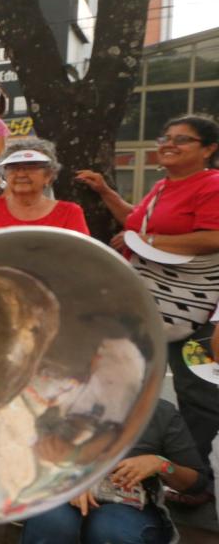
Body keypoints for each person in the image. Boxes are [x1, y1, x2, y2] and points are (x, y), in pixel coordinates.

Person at [75, 115, 219, 464]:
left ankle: (191, 475)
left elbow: (214, 237)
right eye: (165, 136)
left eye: (182, 139)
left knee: (196, 394)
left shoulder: (211, 185)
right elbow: (134, 223)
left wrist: (149, 240)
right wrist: (106, 192)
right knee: (127, 380)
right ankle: (135, 458)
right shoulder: (163, 186)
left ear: (209, 149)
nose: (168, 144)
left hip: (196, 311)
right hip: (150, 306)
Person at [20, 400, 207, 544]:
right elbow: (28, 457)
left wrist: (160, 464)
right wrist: (69, 478)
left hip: (130, 509)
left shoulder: (160, 412)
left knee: (109, 527)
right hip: (64, 494)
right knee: (53, 519)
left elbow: (195, 482)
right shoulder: (67, 403)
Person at [0, 142, 88, 236]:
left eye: (31, 167)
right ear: (5, 174)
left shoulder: (70, 212)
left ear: (49, 176)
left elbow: (81, 257)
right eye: (13, 167)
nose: (21, 174)